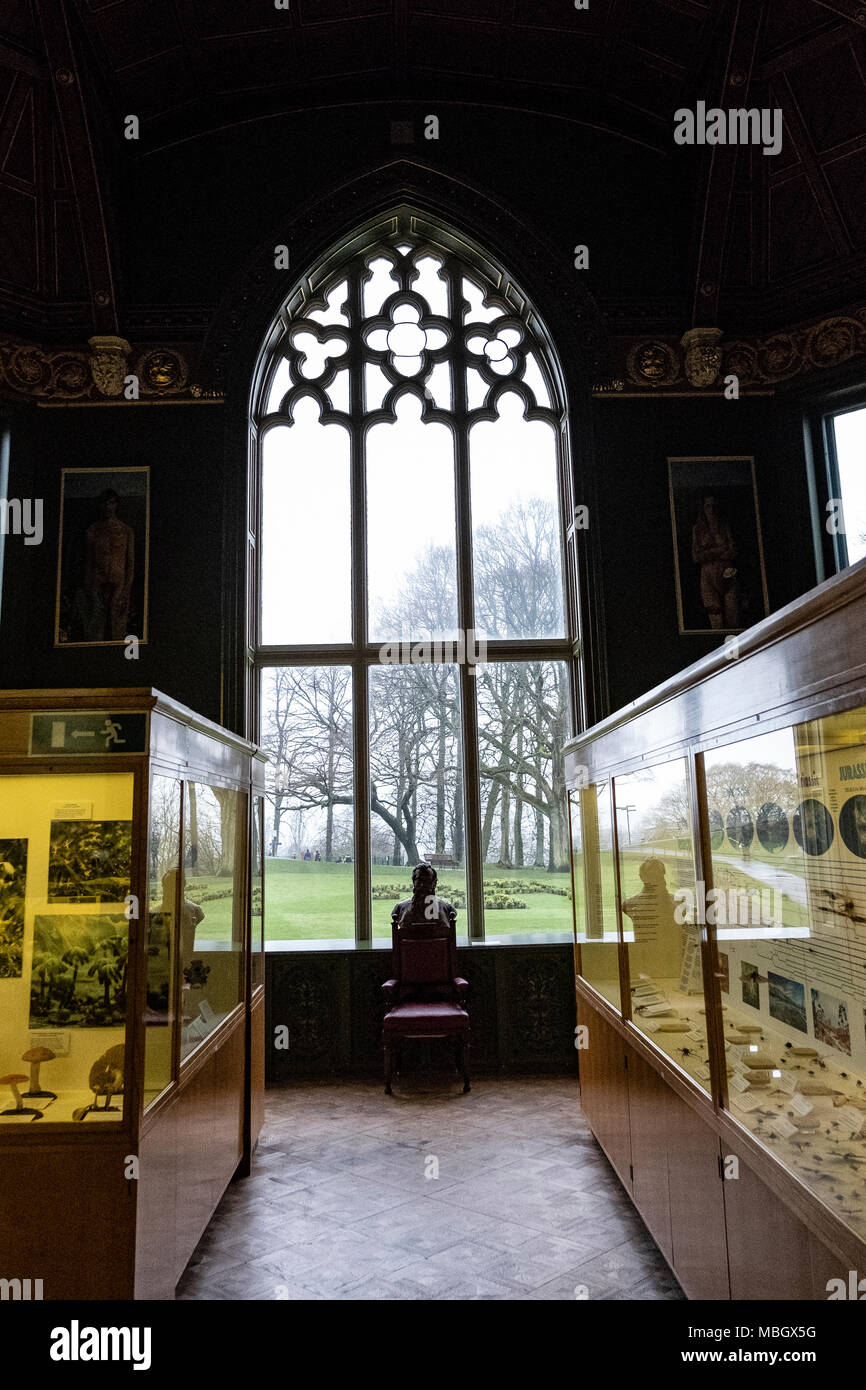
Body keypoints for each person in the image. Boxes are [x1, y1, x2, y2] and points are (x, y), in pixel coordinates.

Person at [80, 489, 135, 642]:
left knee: (117, 631)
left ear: (116, 505)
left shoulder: (126, 531)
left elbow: (130, 564)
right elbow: (88, 562)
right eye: (104, 503)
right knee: (96, 632)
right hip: (97, 584)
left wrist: (126, 591)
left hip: (119, 585)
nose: (107, 507)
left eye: (111, 503)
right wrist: (88, 590)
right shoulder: (92, 530)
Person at [691, 495, 741, 630]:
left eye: (714, 506)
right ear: (703, 508)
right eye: (708, 506)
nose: (711, 509)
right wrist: (720, 550)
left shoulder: (724, 526)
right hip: (708, 576)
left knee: (733, 620)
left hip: (727, 573)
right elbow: (696, 557)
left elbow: (733, 551)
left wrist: (708, 553)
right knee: (715, 620)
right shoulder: (697, 529)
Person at [391, 861, 457, 933]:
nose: (422, 885)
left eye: (427, 881)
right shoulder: (399, 908)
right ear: (413, 881)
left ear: (434, 883)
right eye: (419, 880)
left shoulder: (448, 909)